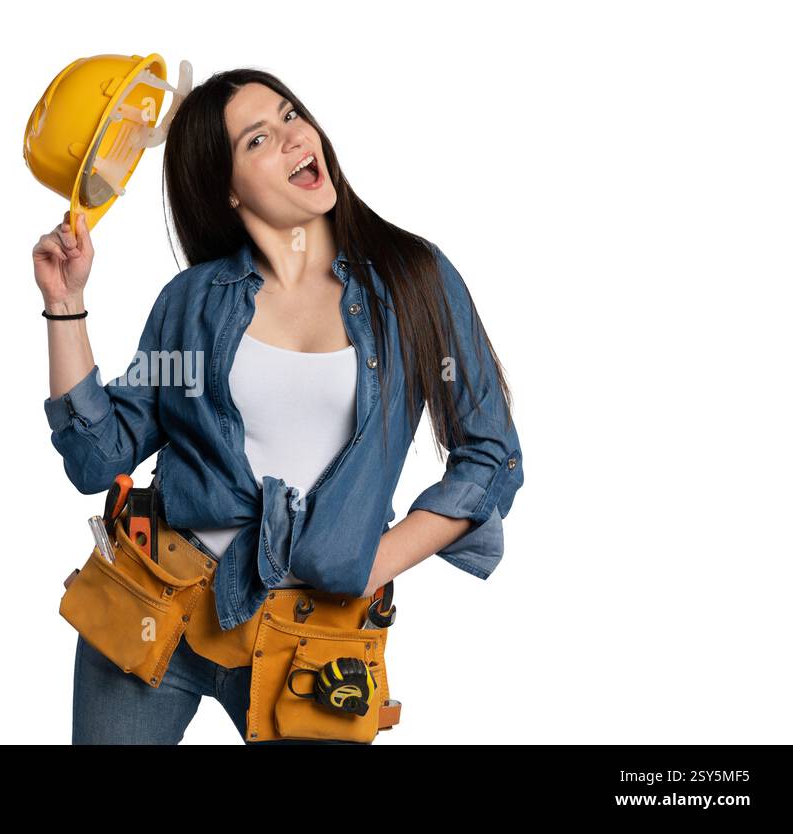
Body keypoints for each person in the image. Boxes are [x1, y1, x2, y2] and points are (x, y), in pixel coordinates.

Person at [35, 69, 525, 744]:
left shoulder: (417, 281)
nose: (296, 136)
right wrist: (65, 304)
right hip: (157, 604)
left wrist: (374, 561)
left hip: (315, 641)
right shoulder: (193, 301)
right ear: (229, 188)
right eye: (260, 137)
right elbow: (100, 455)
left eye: (292, 114)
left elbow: (491, 454)